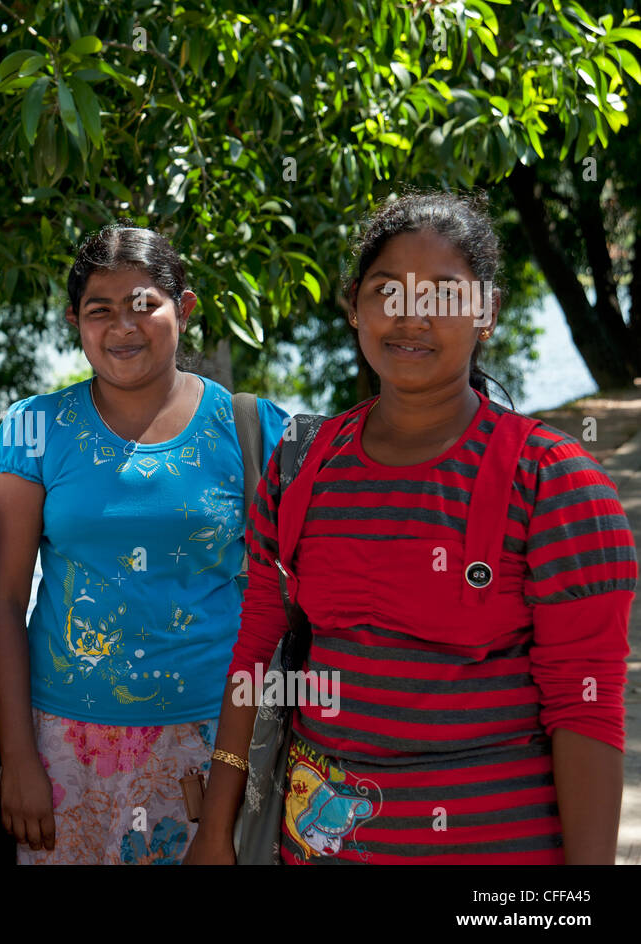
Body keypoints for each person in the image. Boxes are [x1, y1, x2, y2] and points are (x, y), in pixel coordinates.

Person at [187, 191, 638, 865]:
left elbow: (585, 708)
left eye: (446, 295)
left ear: (487, 313)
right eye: (387, 290)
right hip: (314, 850)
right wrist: (215, 830)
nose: (412, 316)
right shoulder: (299, 469)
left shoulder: (552, 483)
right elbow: (257, 652)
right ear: (353, 306)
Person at [0, 224, 289, 864]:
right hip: (63, 743)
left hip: (213, 742)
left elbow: (281, 600)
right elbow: (4, 600)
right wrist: (17, 757)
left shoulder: (253, 427)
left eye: (145, 304)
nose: (124, 325)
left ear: (186, 306)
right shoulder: (35, 428)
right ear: (75, 320)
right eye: (100, 310)